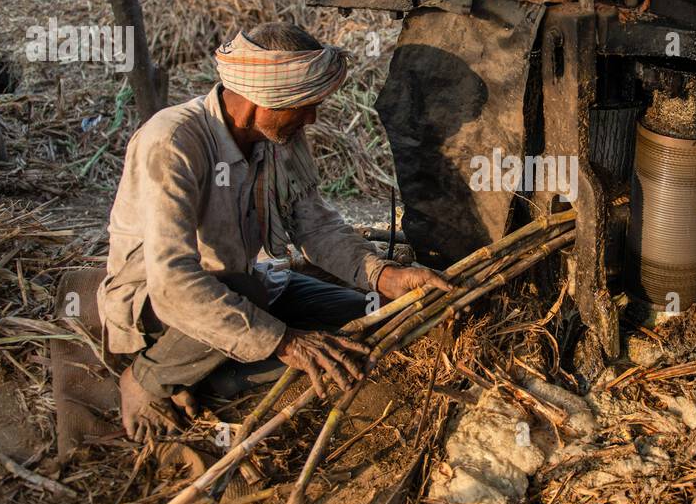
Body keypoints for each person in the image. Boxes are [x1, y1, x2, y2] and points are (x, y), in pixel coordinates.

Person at [99, 22, 451, 440]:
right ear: (264, 97)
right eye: (304, 105)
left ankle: (225, 368)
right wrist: (287, 342)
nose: (312, 117)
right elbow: (172, 283)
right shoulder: (172, 141)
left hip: (250, 284)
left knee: (372, 319)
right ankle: (148, 378)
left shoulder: (280, 137)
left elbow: (315, 225)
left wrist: (384, 275)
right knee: (254, 306)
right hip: (160, 306)